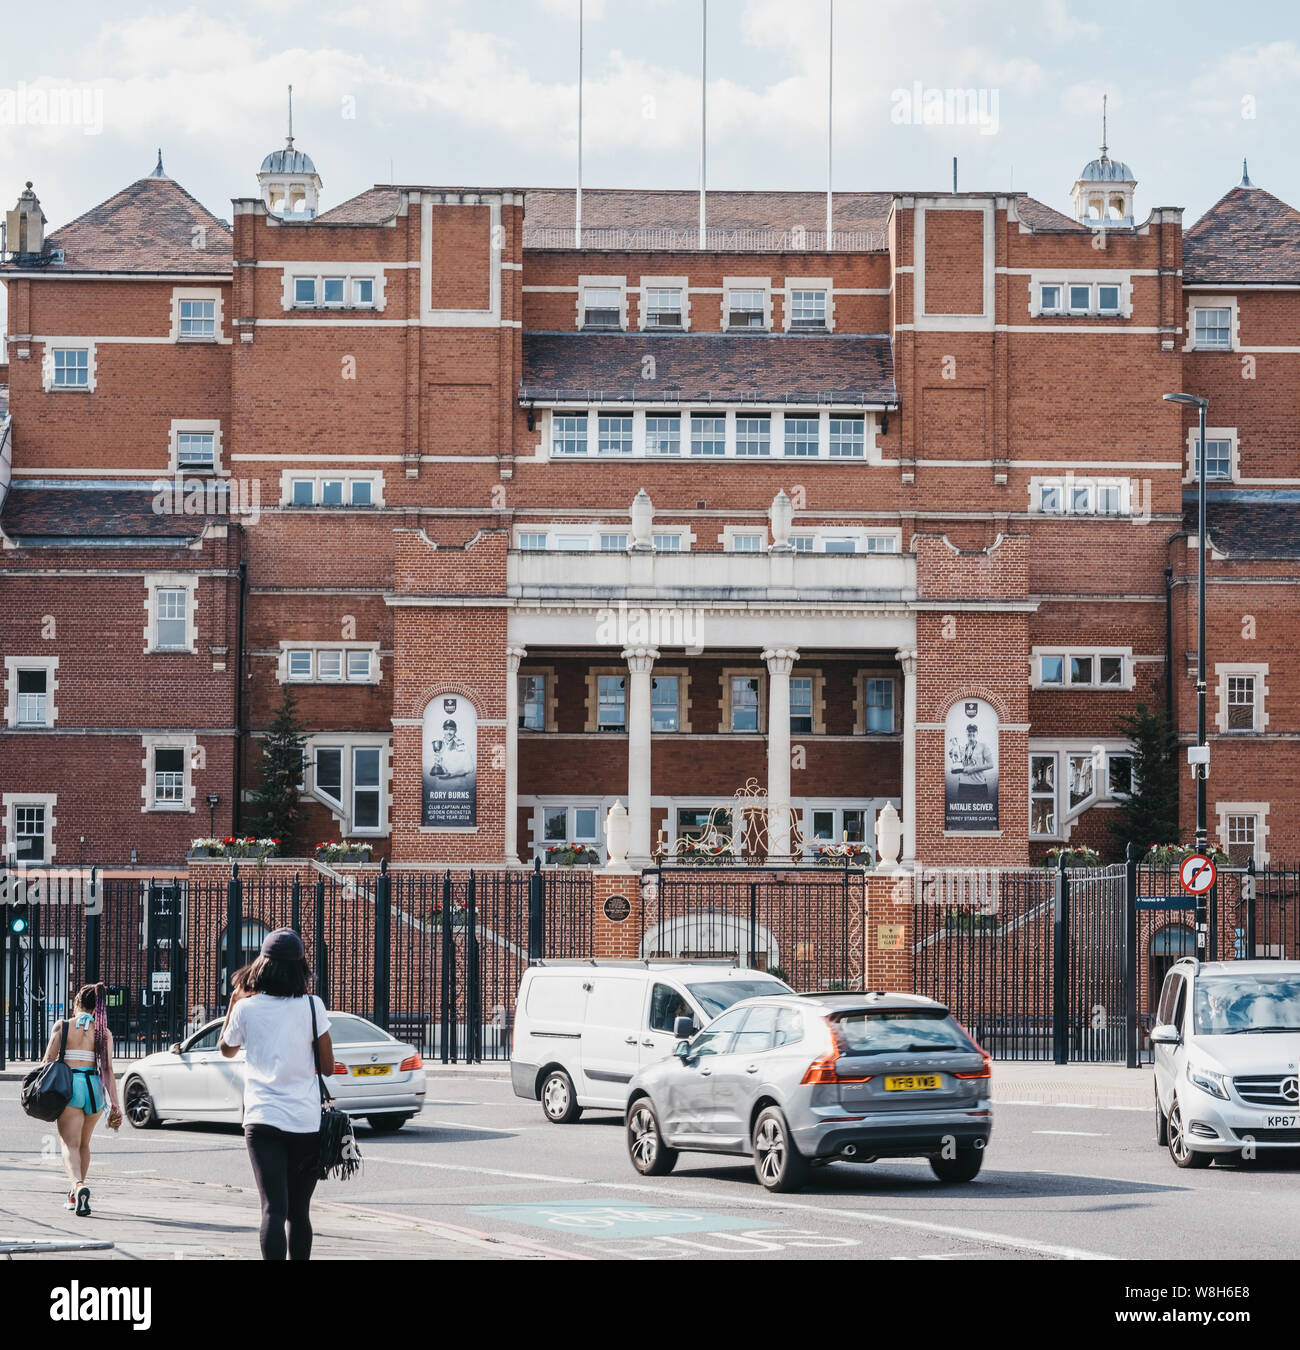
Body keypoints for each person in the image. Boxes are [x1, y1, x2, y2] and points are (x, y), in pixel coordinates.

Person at [219, 929, 334, 1261]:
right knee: (299, 1212)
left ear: (262, 966)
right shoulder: (313, 1007)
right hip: (304, 1120)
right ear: (301, 969)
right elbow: (327, 1067)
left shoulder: (247, 1009)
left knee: (272, 1208)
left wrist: (233, 1002)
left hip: (262, 1119)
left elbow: (226, 1049)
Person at [41, 982, 122, 1216]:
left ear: (76, 1002)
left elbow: (47, 1062)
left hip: (70, 1089)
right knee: (84, 1145)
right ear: (96, 1008)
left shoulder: (63, 1026)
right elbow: (107, 1069)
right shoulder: (104, 1032)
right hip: (94, 1090)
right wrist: (114, 1105)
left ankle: (78, 1186)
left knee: (69, 1145)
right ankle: (75, 1195)